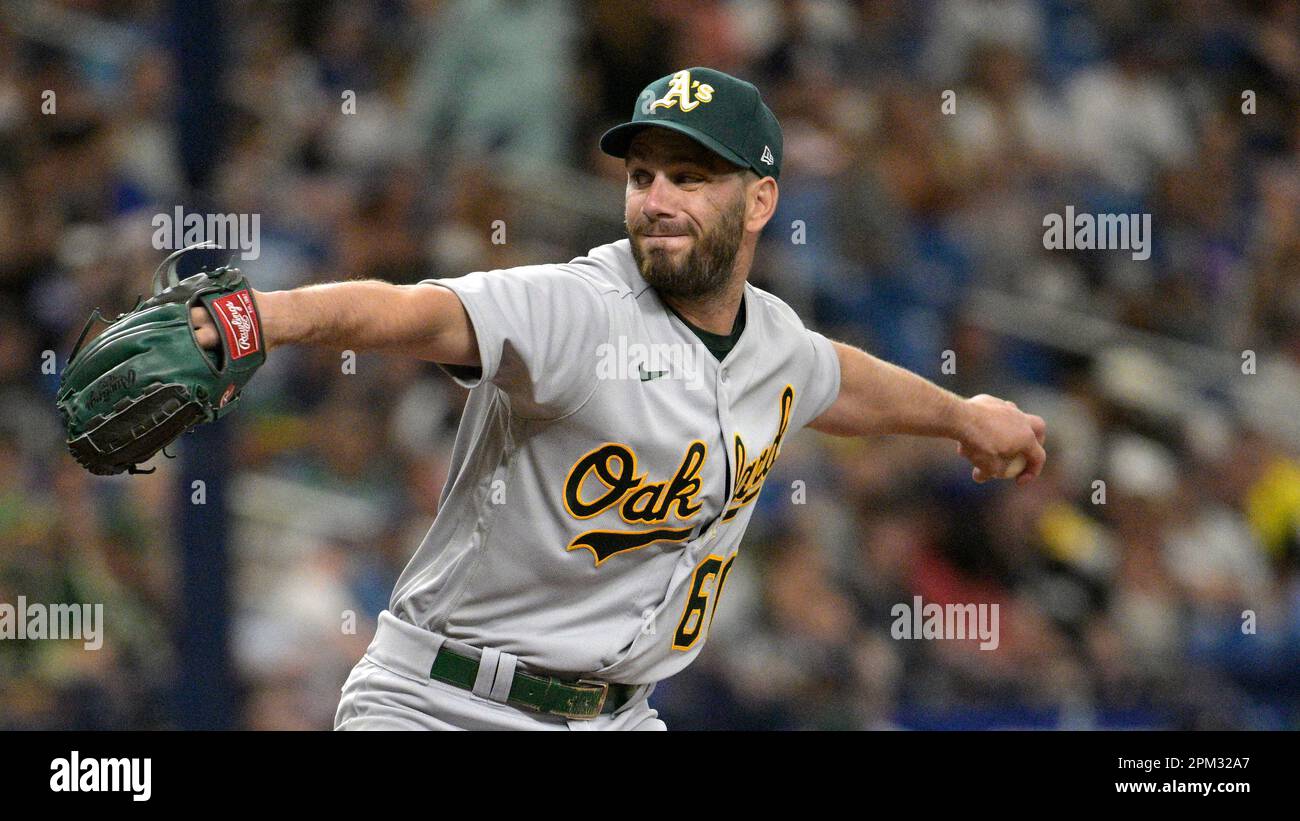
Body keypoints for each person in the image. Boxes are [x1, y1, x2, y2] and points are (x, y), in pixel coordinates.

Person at [192, 67, 1047, 730]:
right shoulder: (580, 307)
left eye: (691, 175)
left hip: (616, 711)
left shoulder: (773, 338)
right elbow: (414, 311)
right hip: (443, 702)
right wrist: (261, 313)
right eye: (643, 176)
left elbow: (836, 380)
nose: (659, 200)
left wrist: (962, 415)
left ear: (760, 199)